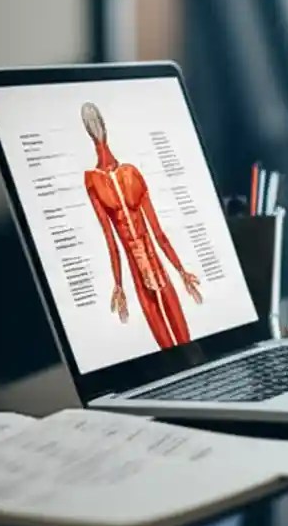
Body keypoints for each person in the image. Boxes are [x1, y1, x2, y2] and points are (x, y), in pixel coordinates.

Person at [81, 102, 203, 349]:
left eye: (96, 123)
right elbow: (113, 240)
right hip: (139, 268)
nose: (96, 128)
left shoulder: (124, 174)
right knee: (168, 350)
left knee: (183, 344)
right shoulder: (97, 179)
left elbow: (154, 235)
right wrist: (119, 285)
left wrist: (181, 271)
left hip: (152, 264)